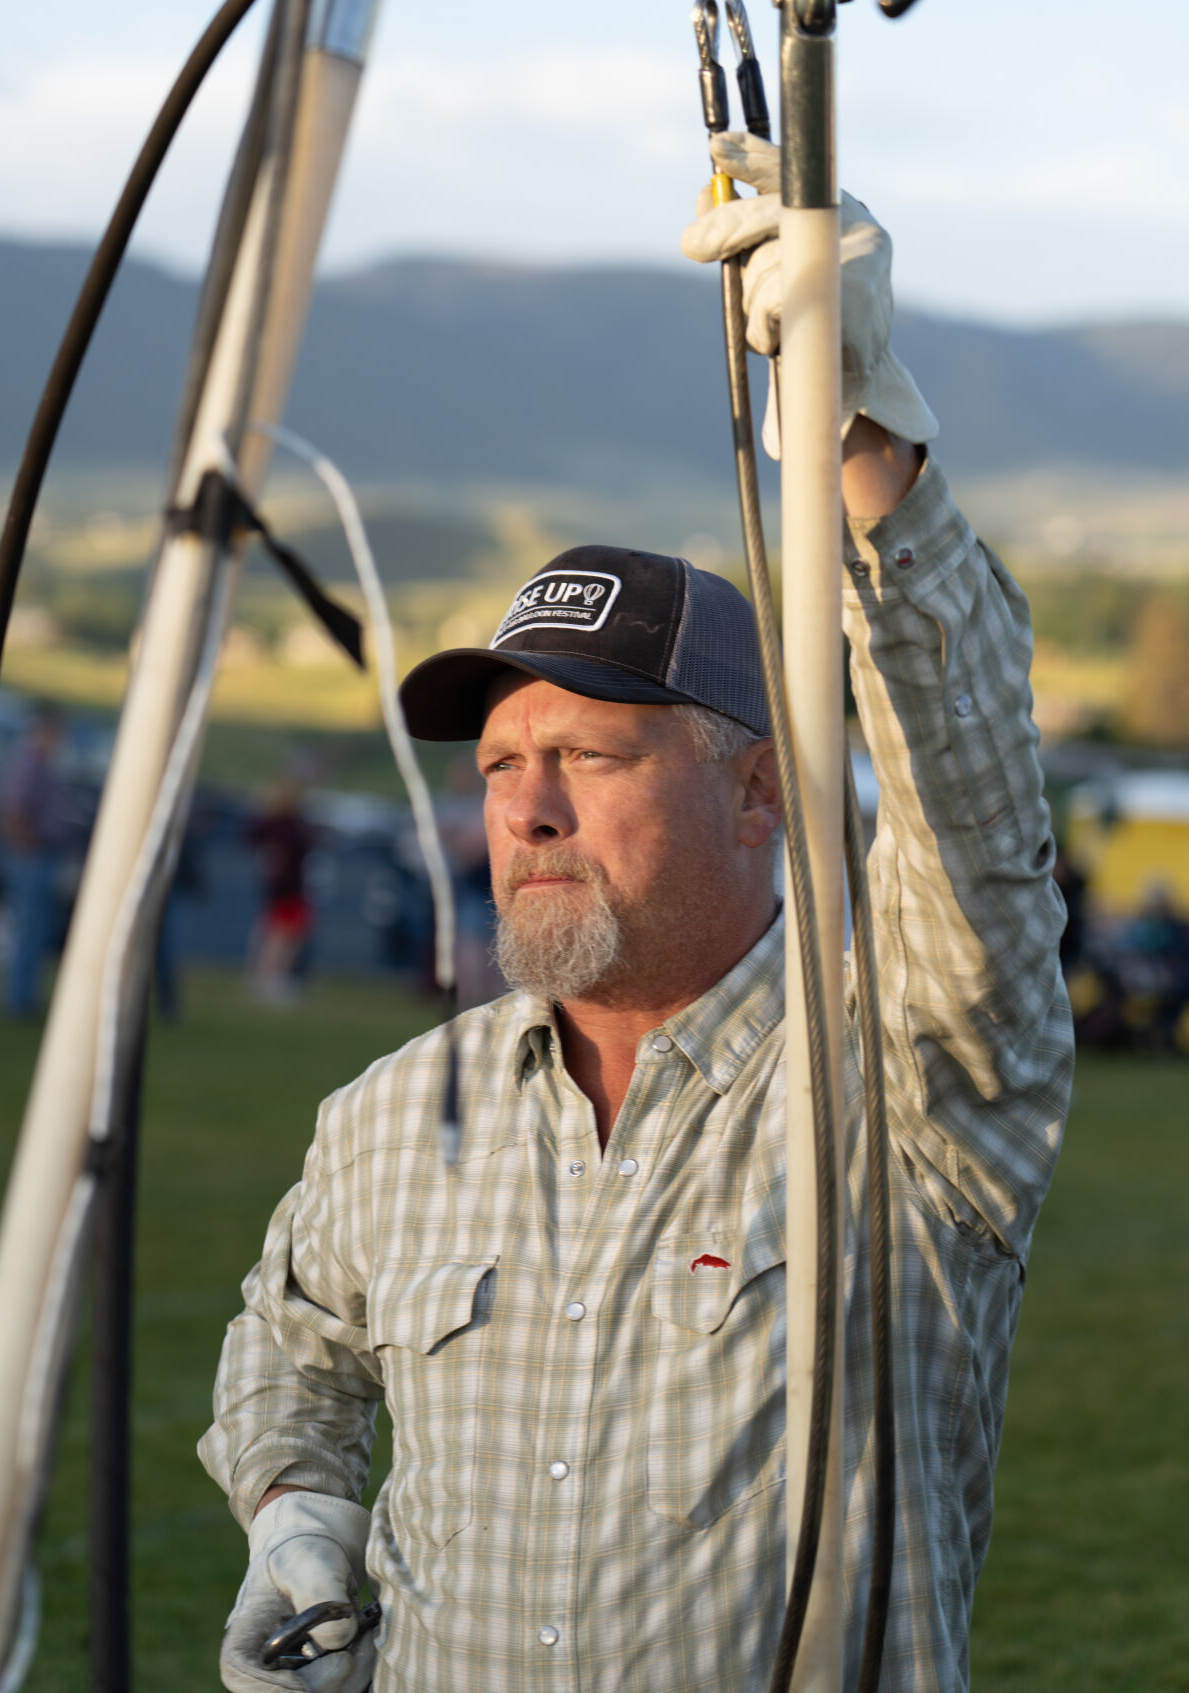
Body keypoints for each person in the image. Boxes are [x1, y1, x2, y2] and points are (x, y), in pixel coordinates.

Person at [200, 137, 1073, 1693]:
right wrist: (297, 1515)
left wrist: (861, 429)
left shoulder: (906, 1087)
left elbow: (973, 818)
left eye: (591, 757)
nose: (525, 808)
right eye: (500, 767)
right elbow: (293, 1339)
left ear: (759, 795)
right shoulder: (397, 1116)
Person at [0, 705, 68, 1017]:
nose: (60, 740)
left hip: (40, 854)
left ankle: (24, 998)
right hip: (31, 857)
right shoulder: (29, 764)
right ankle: (18, 1000)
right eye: (55, 733)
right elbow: (13, 811)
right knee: (28, 928)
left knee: (36, 930)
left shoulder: (43, 765)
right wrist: (29, 848)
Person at [247, 778, 316, 1005]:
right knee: (281, 935)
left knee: (284, 933)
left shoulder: (281, 823)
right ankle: (270, 978)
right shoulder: (282, 825)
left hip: (288, 885)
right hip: (285, 886)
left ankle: (271, 976)